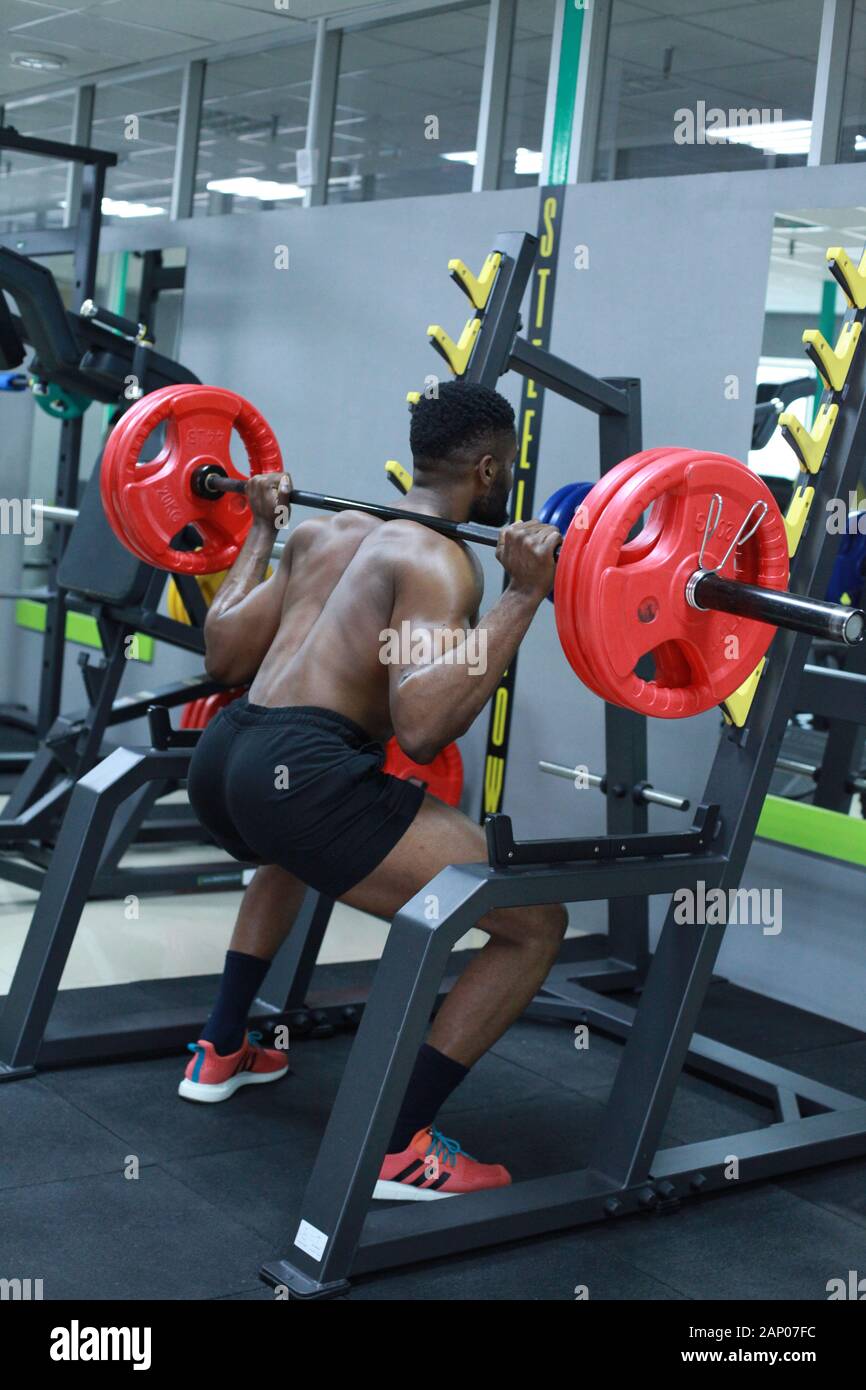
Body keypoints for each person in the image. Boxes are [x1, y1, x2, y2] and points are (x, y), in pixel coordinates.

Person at [184, 380, 567, 1198]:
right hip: (300, 773)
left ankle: (221, 1048)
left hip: (224, 758)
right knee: (534, 921)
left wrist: (260, 527)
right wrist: (523, 595)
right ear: (491, 469)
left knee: (288, 849)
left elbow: (222, 660)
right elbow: (424, 725)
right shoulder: (435, 559)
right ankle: (398, 1146)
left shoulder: (322, 532)